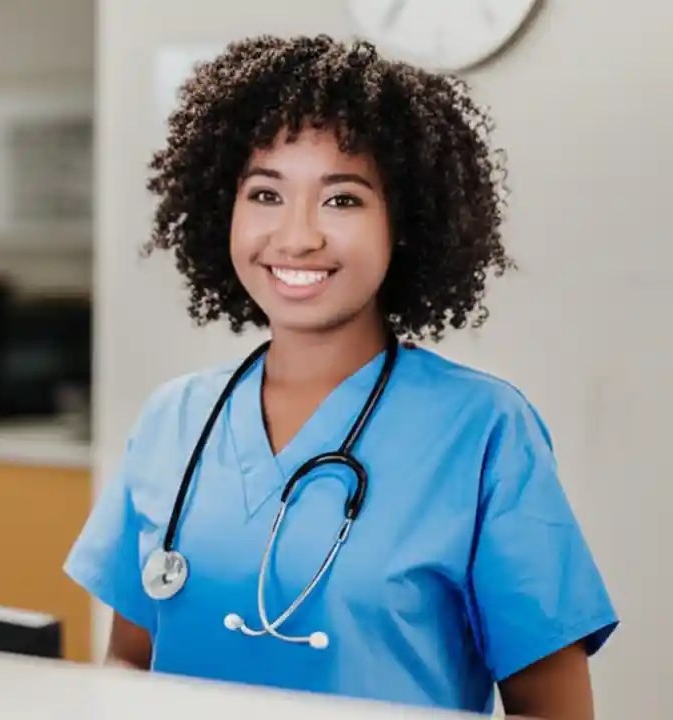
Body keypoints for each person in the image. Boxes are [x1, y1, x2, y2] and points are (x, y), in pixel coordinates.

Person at [64, 36, 616, 717]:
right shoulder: (174, 419)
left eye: (342, 200)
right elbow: (128, 662)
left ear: (404, 222)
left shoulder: (484, 431)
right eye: (265, 193)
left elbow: (553, 710)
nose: (296, 237)